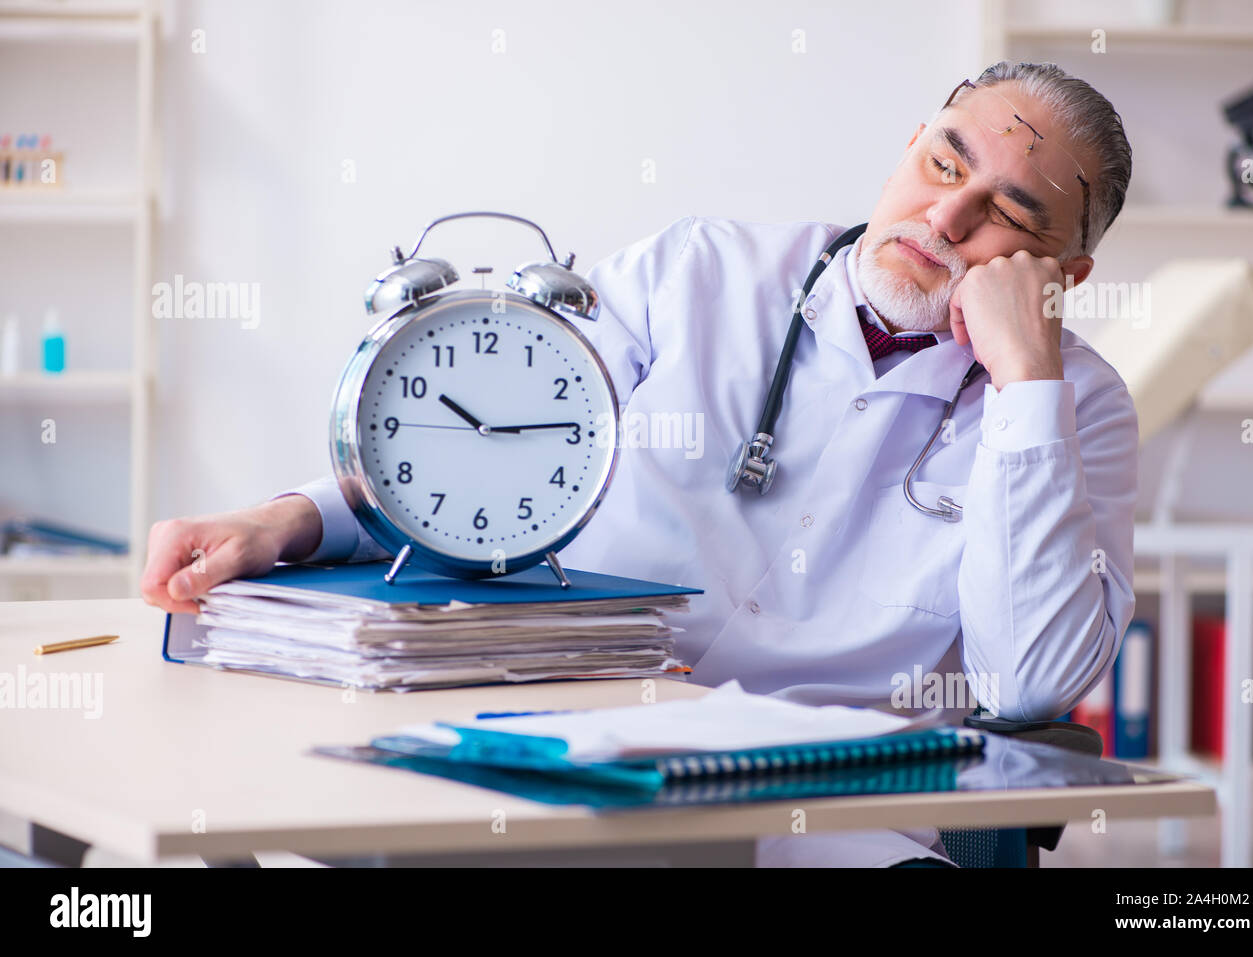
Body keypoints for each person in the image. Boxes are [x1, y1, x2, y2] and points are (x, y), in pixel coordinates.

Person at [141, 61, 1138, 867]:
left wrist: (1023, 384)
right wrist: (289, 523)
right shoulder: (697, 276)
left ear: (1064, 275)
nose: (945, 218)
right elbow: (489, 451)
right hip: (568, 748)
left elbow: (1030, 684)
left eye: (1007, 213)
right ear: (905, 149)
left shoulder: (1075, 408)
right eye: (940, 162)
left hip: (820, 817)